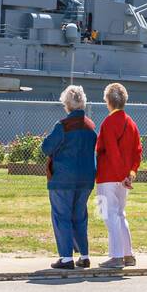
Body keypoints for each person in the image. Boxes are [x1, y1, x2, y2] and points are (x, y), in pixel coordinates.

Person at [41, 85, 96, 270]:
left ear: (67, 104)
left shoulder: (63, 126)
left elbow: (47, 148)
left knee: (61, 216)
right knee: (80, 216)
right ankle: (84, 255)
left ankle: (66, 258)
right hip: (86, 179)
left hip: (63, 179)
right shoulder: (91, 126)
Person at [95, 82, 142, 269]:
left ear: (108, 101)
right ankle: (128, 254)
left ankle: (115, 256)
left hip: (108, 175)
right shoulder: (131, 123)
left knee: (108, 215)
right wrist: (130, 173)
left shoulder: (108, 122)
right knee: (121, 214)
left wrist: (122, 173)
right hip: (124, 179)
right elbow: (138, 151)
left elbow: (111, 151)